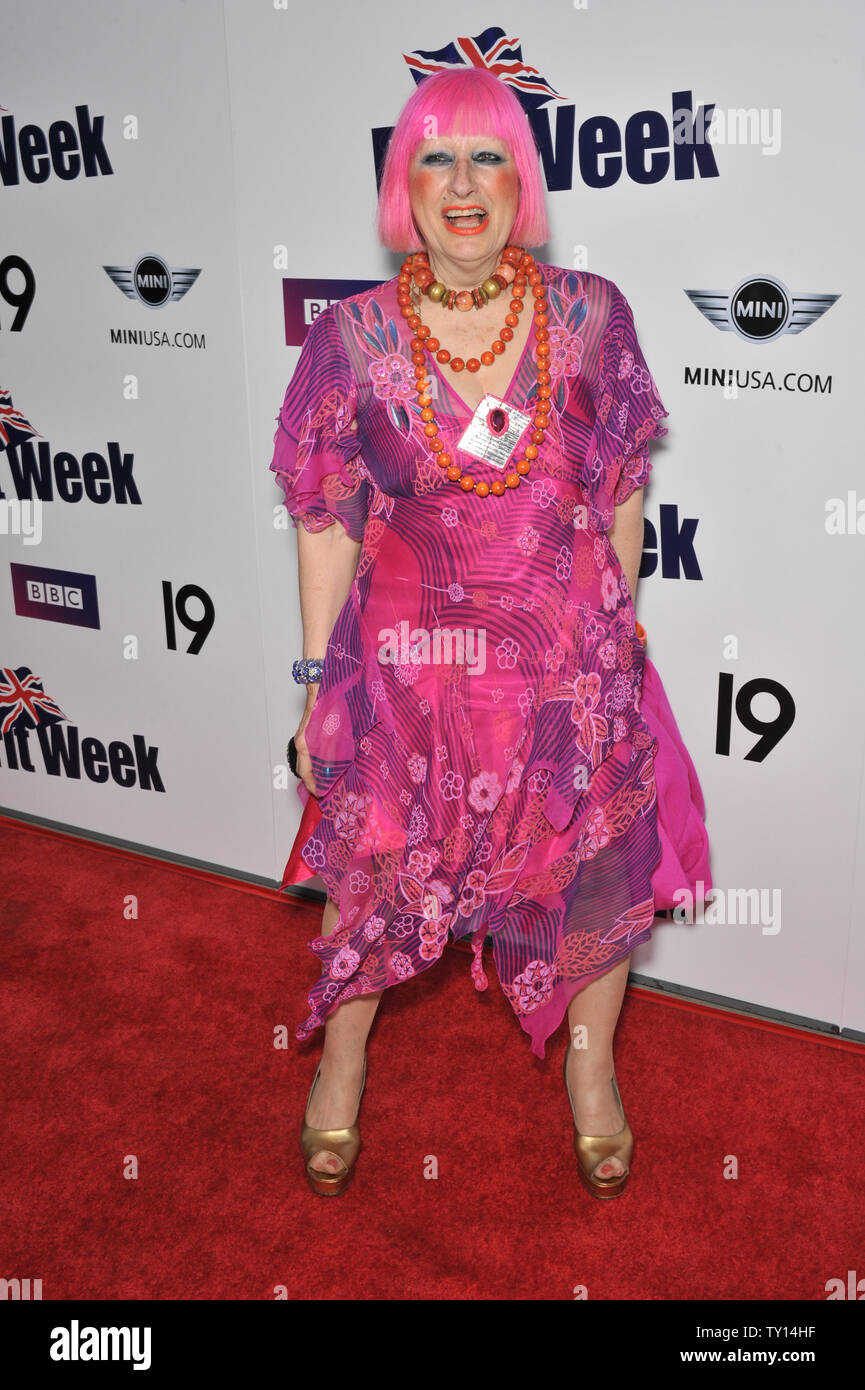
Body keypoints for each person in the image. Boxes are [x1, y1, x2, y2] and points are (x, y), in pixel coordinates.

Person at [269, 67, 710, 1200]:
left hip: (566, 666)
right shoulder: (350, 338)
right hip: (408, 677)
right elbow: (324, 526)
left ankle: (593, 1070)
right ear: (401, 184)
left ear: (522, 179)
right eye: (435, 158)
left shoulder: (591, 314)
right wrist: (320, 679)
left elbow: (618, 489)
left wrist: (621, 636)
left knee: (594, 885)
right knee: (368, 881)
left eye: (488, 157)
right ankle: (343, 1068)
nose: (462, 184)